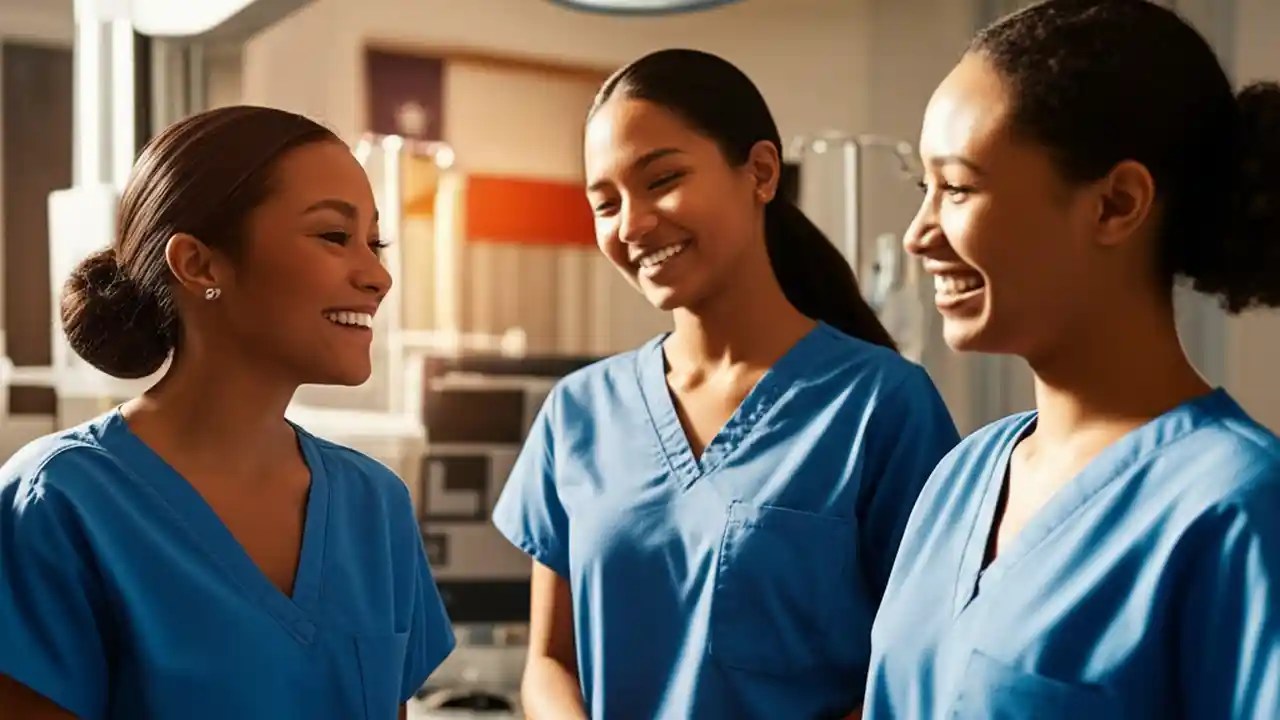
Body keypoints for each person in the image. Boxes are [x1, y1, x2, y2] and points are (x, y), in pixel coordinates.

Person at [491, 48, 960, 720]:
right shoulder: (579, 412)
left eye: (663, 179)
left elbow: (920, 667)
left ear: (761, 173)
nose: (631, 223)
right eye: (605, 202)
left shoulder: (881, 406)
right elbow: (549, 661)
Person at [863, 1, 1280, 717]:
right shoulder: (960, 479)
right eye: (921, 189)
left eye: (957, 187)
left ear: (1115, 204)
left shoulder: (1238, 509)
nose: (917, 235)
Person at [0, 106, 455, 719]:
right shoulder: (57, 504)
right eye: (333, 236)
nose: (378, 276)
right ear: (199, 264)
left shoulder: (375, 506)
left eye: (374, 243)